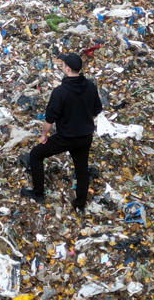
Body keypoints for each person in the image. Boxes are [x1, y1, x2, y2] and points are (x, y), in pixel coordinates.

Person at [20, 53, 102, 212]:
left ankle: (38, 193)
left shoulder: (60, 92)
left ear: (68, 69)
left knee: (36, 154)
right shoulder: (91, 86)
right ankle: (80, 203)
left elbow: (49, 119)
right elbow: (96, 110)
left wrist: (44, 135)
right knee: (81, 169)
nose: (62, 66)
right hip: (85, 136)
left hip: (66, 137)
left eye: (63, 64)